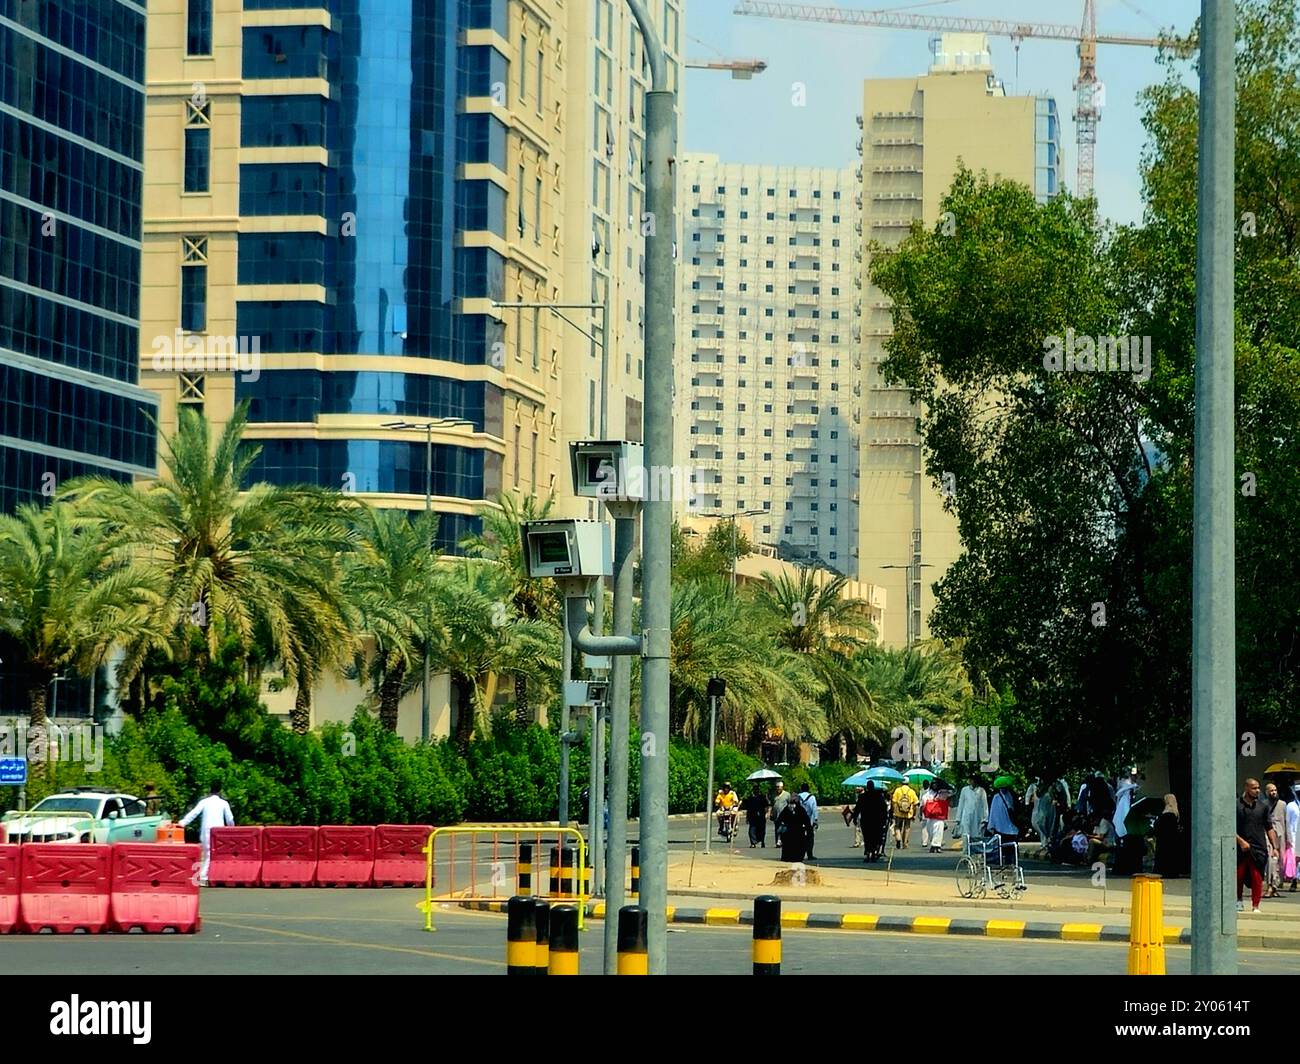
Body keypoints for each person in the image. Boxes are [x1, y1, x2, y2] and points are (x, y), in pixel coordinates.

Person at [178, 780, 235, 886]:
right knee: (212, 855)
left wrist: (183, 823)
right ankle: (204, 876)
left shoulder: (204, 802)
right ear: (220, 791)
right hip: (219, 832)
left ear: (210, 790)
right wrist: (232, 829)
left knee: (206, 853)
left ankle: (206, 875)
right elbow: (230, 819)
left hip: (205, 831)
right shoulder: (223, 803)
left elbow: (194, 813)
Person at [1236, 778, 1276, 914]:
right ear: (1246, 788)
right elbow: (1228, 827)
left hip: (1258, 847)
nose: (1257, 790)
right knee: (1238, 876)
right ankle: (1238, 900)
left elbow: (1269, 827)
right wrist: (1240, 841)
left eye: (1258, 788)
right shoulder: (1236, 806)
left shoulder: (1263, 807)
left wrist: (1274, 846)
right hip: (1240, 847)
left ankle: (1255, 905)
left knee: (1257, 876)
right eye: (1254, 788)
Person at [1265, 781, 1289, 898]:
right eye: (1271, 791)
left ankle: (1275, 886)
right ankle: (1270, 885)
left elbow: (1286, 821)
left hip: (1281, 835)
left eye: (1275, 790)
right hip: (1269, 835)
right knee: (1271, 860)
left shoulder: (1283, 804)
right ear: (1267, 792)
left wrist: (1289, 838)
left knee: (1280, 862)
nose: (1274, 792)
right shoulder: (1264, 805)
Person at [856, 782, 889, 861]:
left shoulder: (863, 797)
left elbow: (858, 808)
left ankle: (868, 854)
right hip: (877, 820)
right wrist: (885, 818)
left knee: (867, 837)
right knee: (876, 837)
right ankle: (874, 853)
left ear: (867, 787)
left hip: (866, 820)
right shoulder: (879, 796)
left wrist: (854, 817)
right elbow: (884, 808)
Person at [777, 791, 812, 863]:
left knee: (788, 850)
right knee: (798, 851)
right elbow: (807, 821)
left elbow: (779, 820)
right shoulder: (801, 809)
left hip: (789, 833)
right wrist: (809, 832)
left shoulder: (787, 809)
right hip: (798, 832)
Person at [1153, 794, 1183, 878]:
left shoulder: (1166, 814)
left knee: (1163, 856)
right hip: (1173, 841)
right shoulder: (1175, 813)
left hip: (1164, 840)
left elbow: (1160, 827)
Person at [954, 779, 988, 843]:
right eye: (971, 780)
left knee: (976, 834)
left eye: (974, 780)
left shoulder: (981, 790)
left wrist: (985, 818)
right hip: (966, 816)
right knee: (966, 834)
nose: (972, 781)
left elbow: (984, 805)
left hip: (977, 816)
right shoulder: (964, 790)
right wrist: (958, 818)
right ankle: (966, 850)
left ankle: (976, 849)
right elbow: (961, 803)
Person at [921, 785, 950, 853]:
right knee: (932, 831)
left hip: (938, 816)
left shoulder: (941, 792)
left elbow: (947, 796)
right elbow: (924, 800)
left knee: (938, 832)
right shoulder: (929, 794)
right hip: (932, 816)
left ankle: (937, 845)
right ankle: (934, 845)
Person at [891, 779, 919, 850]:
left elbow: (894, 802)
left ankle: (898, 838)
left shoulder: (897, 790)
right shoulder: (911, 791)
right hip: (908, 813)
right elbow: (915, 803)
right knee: (907, 827)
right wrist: (914, 814)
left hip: (898, 812)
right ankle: (905, 843)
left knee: (897, 826)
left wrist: (894, 811)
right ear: (908, 783)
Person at [742, 784, 770, 849]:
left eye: (757, 789)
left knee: (761, 830)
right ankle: (753, 843)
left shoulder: (762, 797)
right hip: (752, 816)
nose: (756, 790)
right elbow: (747, 807)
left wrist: (766, 813)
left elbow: (766, 806)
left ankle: (762, 841)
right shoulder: (750, 798)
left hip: (761, 816)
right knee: (752, 830)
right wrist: (747, 817)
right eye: (754, 789)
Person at [797, 783, 819, 859]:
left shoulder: (798, 797)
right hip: (809, 821)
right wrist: (815, 820)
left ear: (801, 789)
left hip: (799, 821)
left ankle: (800, 855)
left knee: (800, 838)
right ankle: (810, 854)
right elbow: (814, 810)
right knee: (810, 838)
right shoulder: (812, 798)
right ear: (808, 789)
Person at [1286, 786, 1300, 893]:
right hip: (1294, 836)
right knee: (1295, 860)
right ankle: (1294, 880)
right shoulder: (1291, 806)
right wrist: (1289, 838)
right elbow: (1288, 822)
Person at [771, 781, 791, 851]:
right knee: (777, 829)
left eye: (779, 787)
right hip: (776, 815)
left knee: (784, 829)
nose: (778, 789)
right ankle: (778, 842)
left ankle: (784, 841)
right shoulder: (774, 795)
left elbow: (789, 804)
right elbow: (772, 804)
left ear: (782, 787)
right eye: (776, 787)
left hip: (785, 815)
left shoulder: (787, 794)